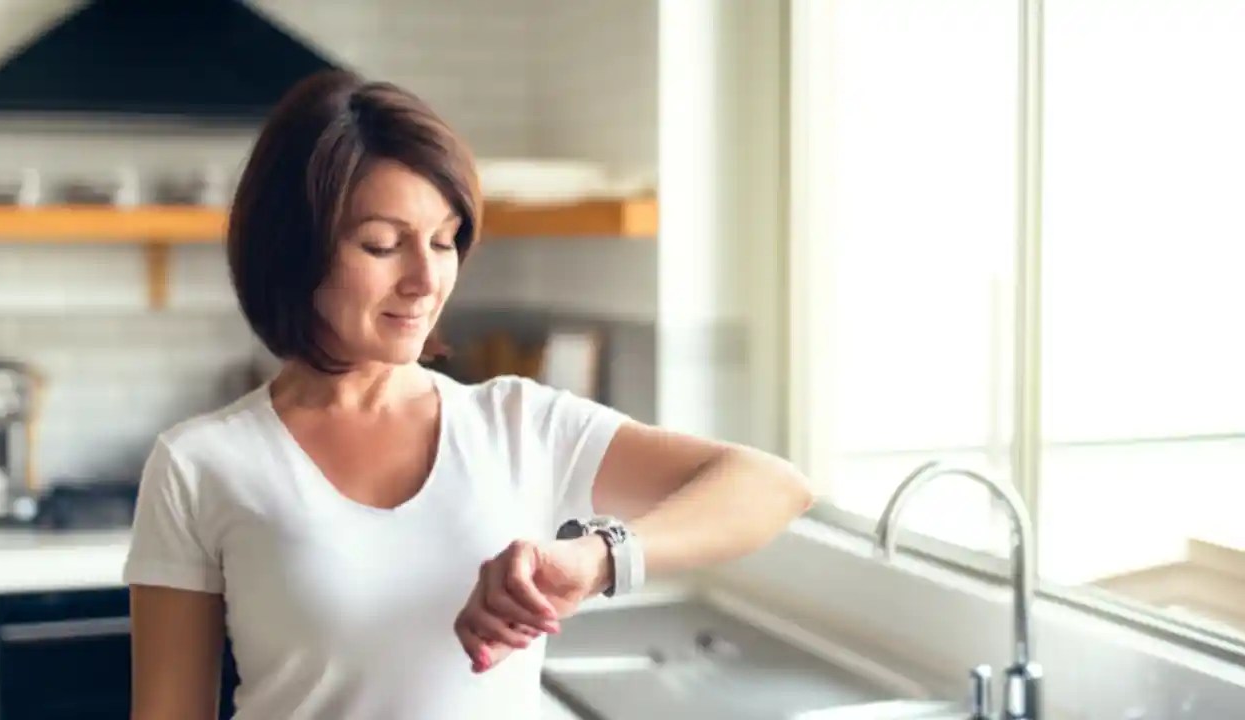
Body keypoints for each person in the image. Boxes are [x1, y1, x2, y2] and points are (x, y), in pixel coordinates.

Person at [124, 69, 817, 720]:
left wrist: (595, 558)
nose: (426, 279)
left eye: (445, 241)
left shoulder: (517, 423)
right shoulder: (200, 464)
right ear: (295, 248)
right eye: (381, 244)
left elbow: (772, 485)